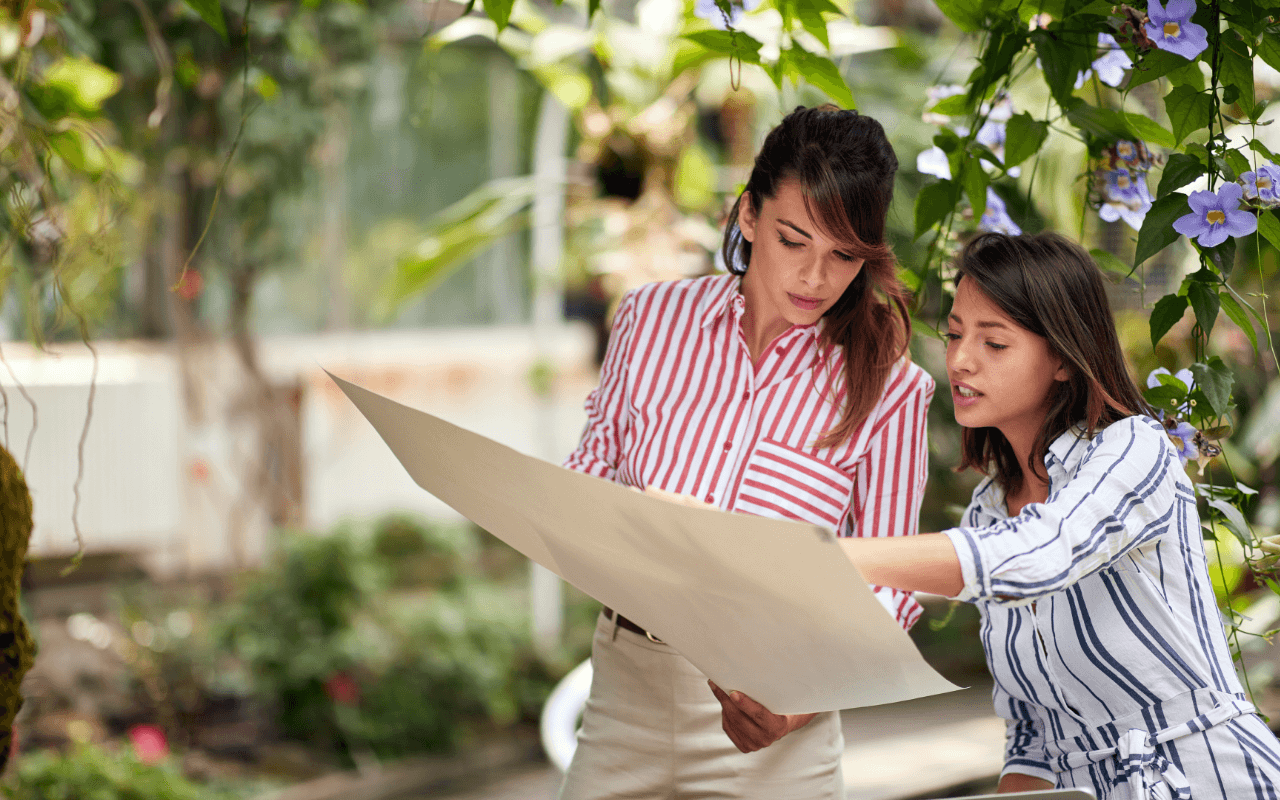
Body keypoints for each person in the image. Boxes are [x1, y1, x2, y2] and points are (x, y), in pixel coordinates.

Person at [558, 105, 935, 799]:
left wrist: (800, 700)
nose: (816, 278)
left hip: (776, 719)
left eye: (844, 255)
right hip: (623, 698)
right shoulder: (649, 321)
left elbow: (892, 580)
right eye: (795, 239)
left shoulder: (889, 384)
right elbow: (589, 475)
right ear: (749, 215)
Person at [839, 231, 1280, 798]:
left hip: (1210, 779)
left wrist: (828, 555)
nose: (959, 359)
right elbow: (1031, 735)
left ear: (1065, 359)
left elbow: (1042, 554)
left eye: (994, 343)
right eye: (953, 335)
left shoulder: (1134, 449)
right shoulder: (989, 512)